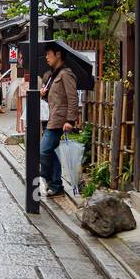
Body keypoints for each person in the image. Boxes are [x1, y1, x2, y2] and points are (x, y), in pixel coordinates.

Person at [39, 43, 81, 198]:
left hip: (59, 121)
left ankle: (47, 178)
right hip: (51, 118)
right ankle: (56, 185)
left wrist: (70, 120)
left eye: (49, 54)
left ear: (58, 54)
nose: (46, 57)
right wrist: (43, 93)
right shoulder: (52, 75)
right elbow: (54, 97)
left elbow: (72, 97)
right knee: (53, 152)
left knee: (43, 150)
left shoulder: (66, 74)